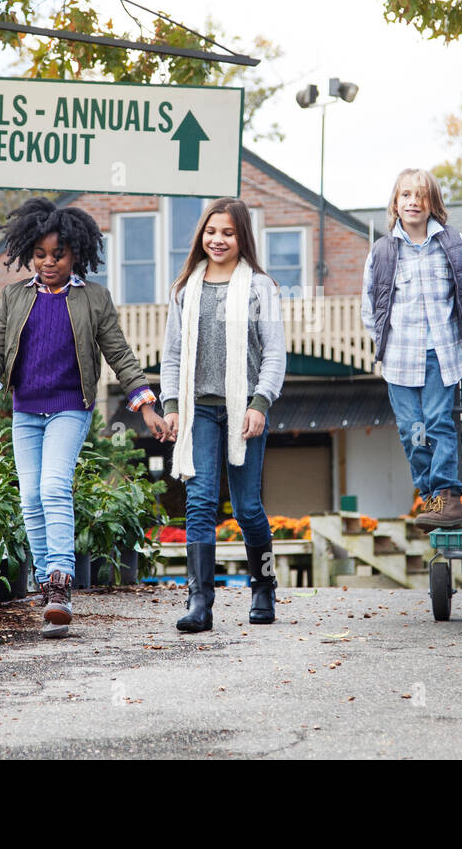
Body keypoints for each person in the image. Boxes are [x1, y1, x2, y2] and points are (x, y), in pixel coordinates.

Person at [0, 199, 168, 639]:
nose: (48, 262)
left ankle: (60, 584)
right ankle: (47, 592)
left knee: (53, 487)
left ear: (75, 252)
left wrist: (147, 405)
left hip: (69, 409)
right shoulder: (14, 296)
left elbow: (119, 354)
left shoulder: (93, 298)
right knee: (30, 500)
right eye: (39, 255)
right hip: (25, 411)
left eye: (57, 254)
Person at [361, 168, 462, 532]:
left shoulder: (450, 241)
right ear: (396, 203)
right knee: (411, 430)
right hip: (400, 360)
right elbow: (369, 307)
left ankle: (448, 498)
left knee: (437, 423)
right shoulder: (383, 251)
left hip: (440, 353)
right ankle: (430, 495)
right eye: (406, 195)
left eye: (421, 195)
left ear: (433, 203)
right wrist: (381, 343)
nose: (413, 202)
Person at [161, 198, 286, 633]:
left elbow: (274, 352)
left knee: (248, 507)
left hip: (244, 412)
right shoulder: (184, 289)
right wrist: (172, 405)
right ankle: (200, 602)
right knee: (199, 503)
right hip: (199, 411)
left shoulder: (260, 288)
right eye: (212, 231)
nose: (218, 239)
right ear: (201, 235)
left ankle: (264, 586)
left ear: (242, 238)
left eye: (228, 233)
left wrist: (260, 403)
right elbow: (173, 354)